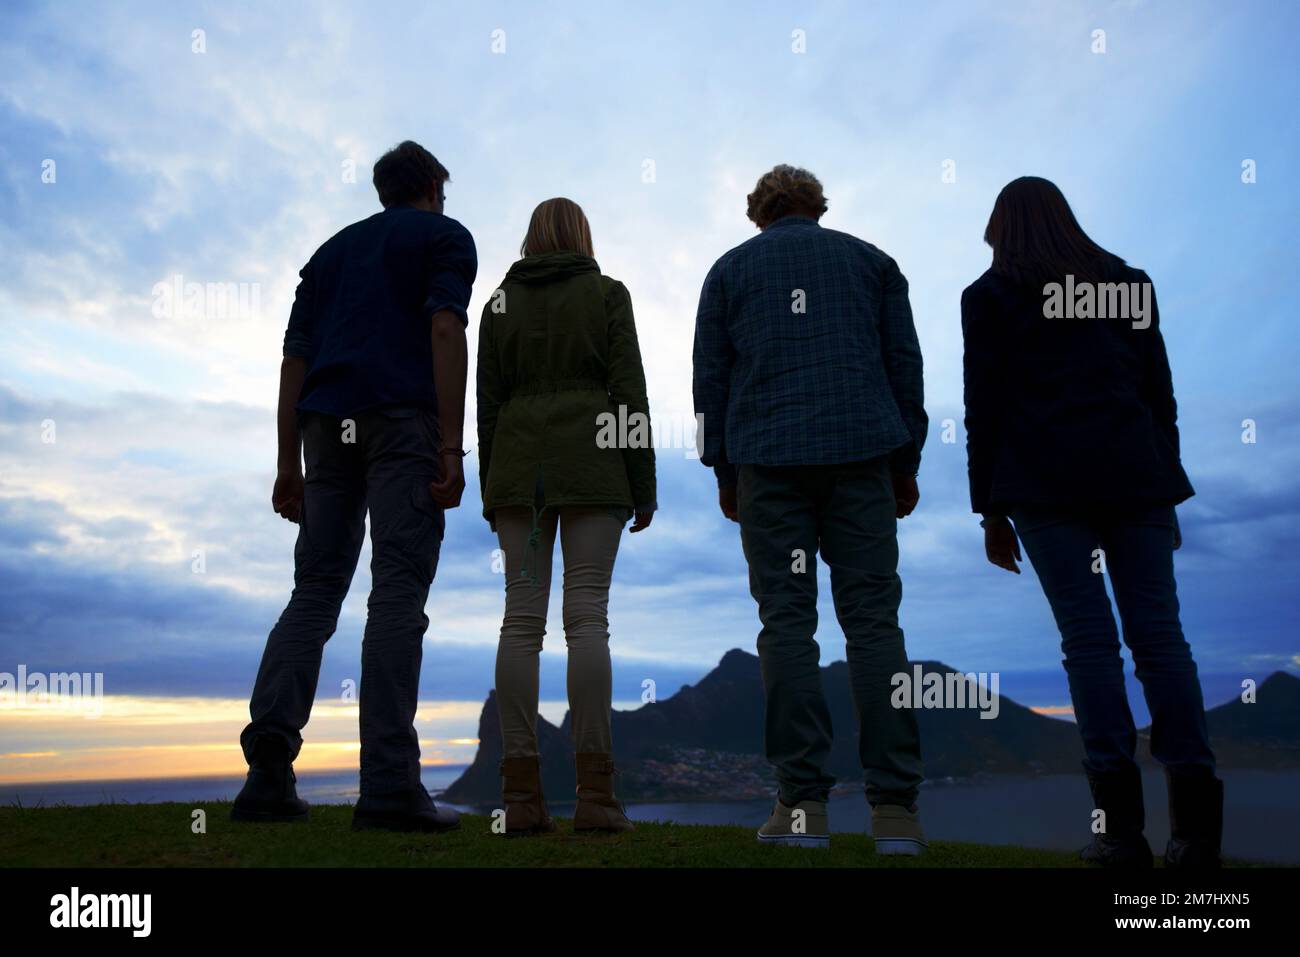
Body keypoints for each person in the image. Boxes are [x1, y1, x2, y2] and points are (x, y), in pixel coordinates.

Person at [962, 176, 1222, 869]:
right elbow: (1157, 393)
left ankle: (1119, 834)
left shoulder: (990, 297)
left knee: (1089, 645)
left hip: (1046, 490)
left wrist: (988, 509)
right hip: (1137, 480)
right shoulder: (1127, 282)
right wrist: (1165, 485)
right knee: (1162, 642)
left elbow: (984, 408)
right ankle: (1196, 834)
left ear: (1001, 229)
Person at [232, 140, 477, 833]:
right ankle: (390, 786)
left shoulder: (329, 255)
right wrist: (451, 444)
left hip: (324, 430)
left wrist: (287, 463)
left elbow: (294, 361)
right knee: (397, 590)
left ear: (383, 190)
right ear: (433, 185)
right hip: (404, 422)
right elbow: (444, 326)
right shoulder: (445, 236)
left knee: (313, 591)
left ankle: (269, 771)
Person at [692, 165, 928, 854]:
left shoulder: (729, 271)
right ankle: (895, 813)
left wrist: (724, 472)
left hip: (769, 462)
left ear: (758, 212)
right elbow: (904, 365)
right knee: (876, 623)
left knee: (787, 624)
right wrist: (905, 463)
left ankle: (802, 807)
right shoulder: (872, 263)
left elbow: (711, 379)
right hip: (863, 460)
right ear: (817, 206)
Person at [478, 197, 656, 835]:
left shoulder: (497, 304)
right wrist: (643, 484)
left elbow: (489, 405)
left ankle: (521, 799)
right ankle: (596, 797)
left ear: (531, 237)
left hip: (517, 472)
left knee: (520, 624)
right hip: (595, 465)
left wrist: (490, 487)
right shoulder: (608, 295)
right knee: (587, 621)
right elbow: (628, 393)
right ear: (582, 235)